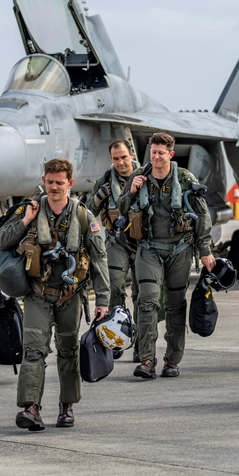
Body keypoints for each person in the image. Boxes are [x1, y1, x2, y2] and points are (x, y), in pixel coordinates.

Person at [0, 158, 110, 431]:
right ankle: (31, 407)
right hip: (37, 294)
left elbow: (99, 259)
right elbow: (1, 240)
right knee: (33, 350)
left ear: (70, 183)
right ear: (43, 181)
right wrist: (25, 220)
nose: (55, 187)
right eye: (50, 182)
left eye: (60, 182)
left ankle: (66, 406)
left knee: (68, 351)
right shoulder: (30, 211)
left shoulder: (84, 217)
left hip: (71, 296)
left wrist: (103, 301)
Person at [119, 132, 215, 380]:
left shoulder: (185, 179)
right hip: (148, 248)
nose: (157, 156)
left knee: (175, 305)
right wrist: (131, 191)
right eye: (153, 152)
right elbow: (121, 207)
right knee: (147, 301)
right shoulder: (138, 176)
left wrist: (205, 250)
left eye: (161, 152)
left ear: (171, 154)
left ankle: (172, 360)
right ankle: (147, 360)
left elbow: (203, 216)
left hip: (179, 250)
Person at [86, 139, 141, 361]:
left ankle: (142, 347)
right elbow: (88, 210)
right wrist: (100, 195)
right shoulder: (106, 180)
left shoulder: (145, 175)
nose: (120, 162)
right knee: (114, 290)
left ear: (131, 155)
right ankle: (116, 338)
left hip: (143, 243)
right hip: (116, 241)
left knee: (143, 297)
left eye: (124, 157)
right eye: (116, 159)